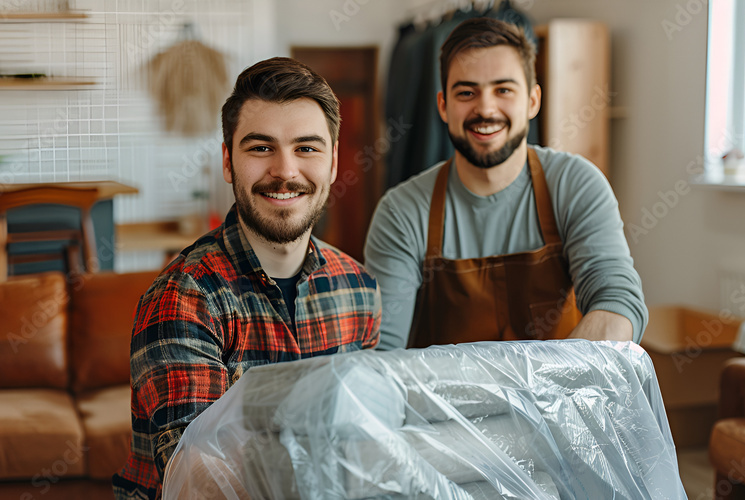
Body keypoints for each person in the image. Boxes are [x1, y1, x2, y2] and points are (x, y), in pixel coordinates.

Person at [113, 57, 382, 500]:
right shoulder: (183, 298)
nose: (285, 171)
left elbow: (363, 431)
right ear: (228, 161)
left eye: (307, 148)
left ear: (334, 164)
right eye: (261, 148)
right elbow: (202, 479)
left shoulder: (359, 289)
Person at [364, 17, 647, 350]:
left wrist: (545, 387)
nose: (485, 108)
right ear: (443, 106)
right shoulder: (402, 212)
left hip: (561, 397)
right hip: (446, 402)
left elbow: (618, 305)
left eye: (503, 90)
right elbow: (383, 352)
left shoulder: (576, 184)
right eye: (466, 92)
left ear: (532, 101)